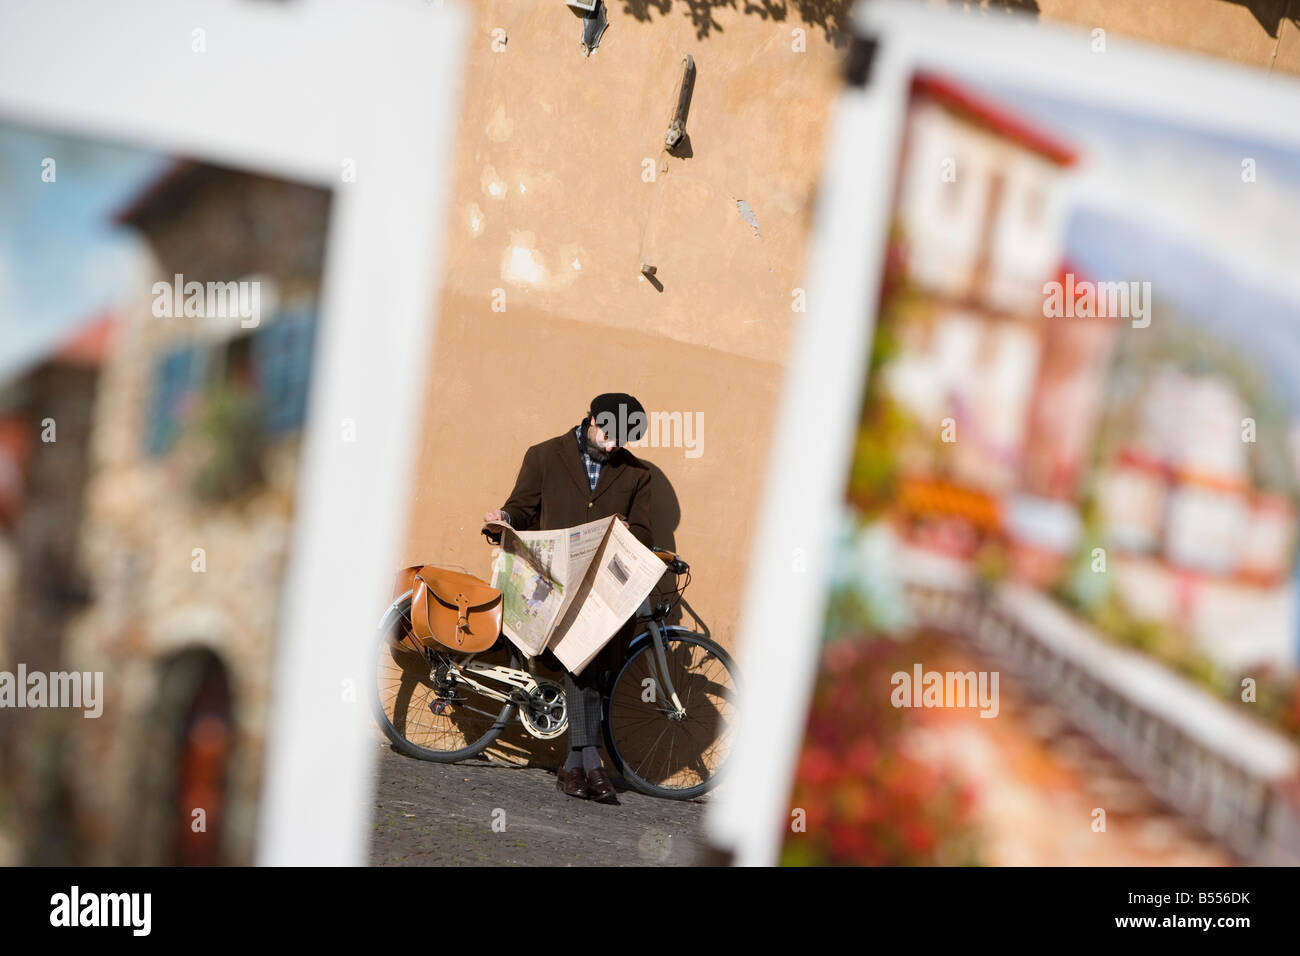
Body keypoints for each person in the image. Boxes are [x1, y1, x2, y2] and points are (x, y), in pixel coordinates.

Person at [482, 392, 653, 804]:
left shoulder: (637, 475)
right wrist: (501, 520)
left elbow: (647, 535)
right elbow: (520, 509)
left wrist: (631, 531)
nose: (612, 448)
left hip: (599, 596)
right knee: (583, 661)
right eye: (608, 435)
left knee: (586, 656)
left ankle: (576, 766)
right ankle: (589, 764)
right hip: (549, 589)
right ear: (591, 419)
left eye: (622, 442)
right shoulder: (543, 455)